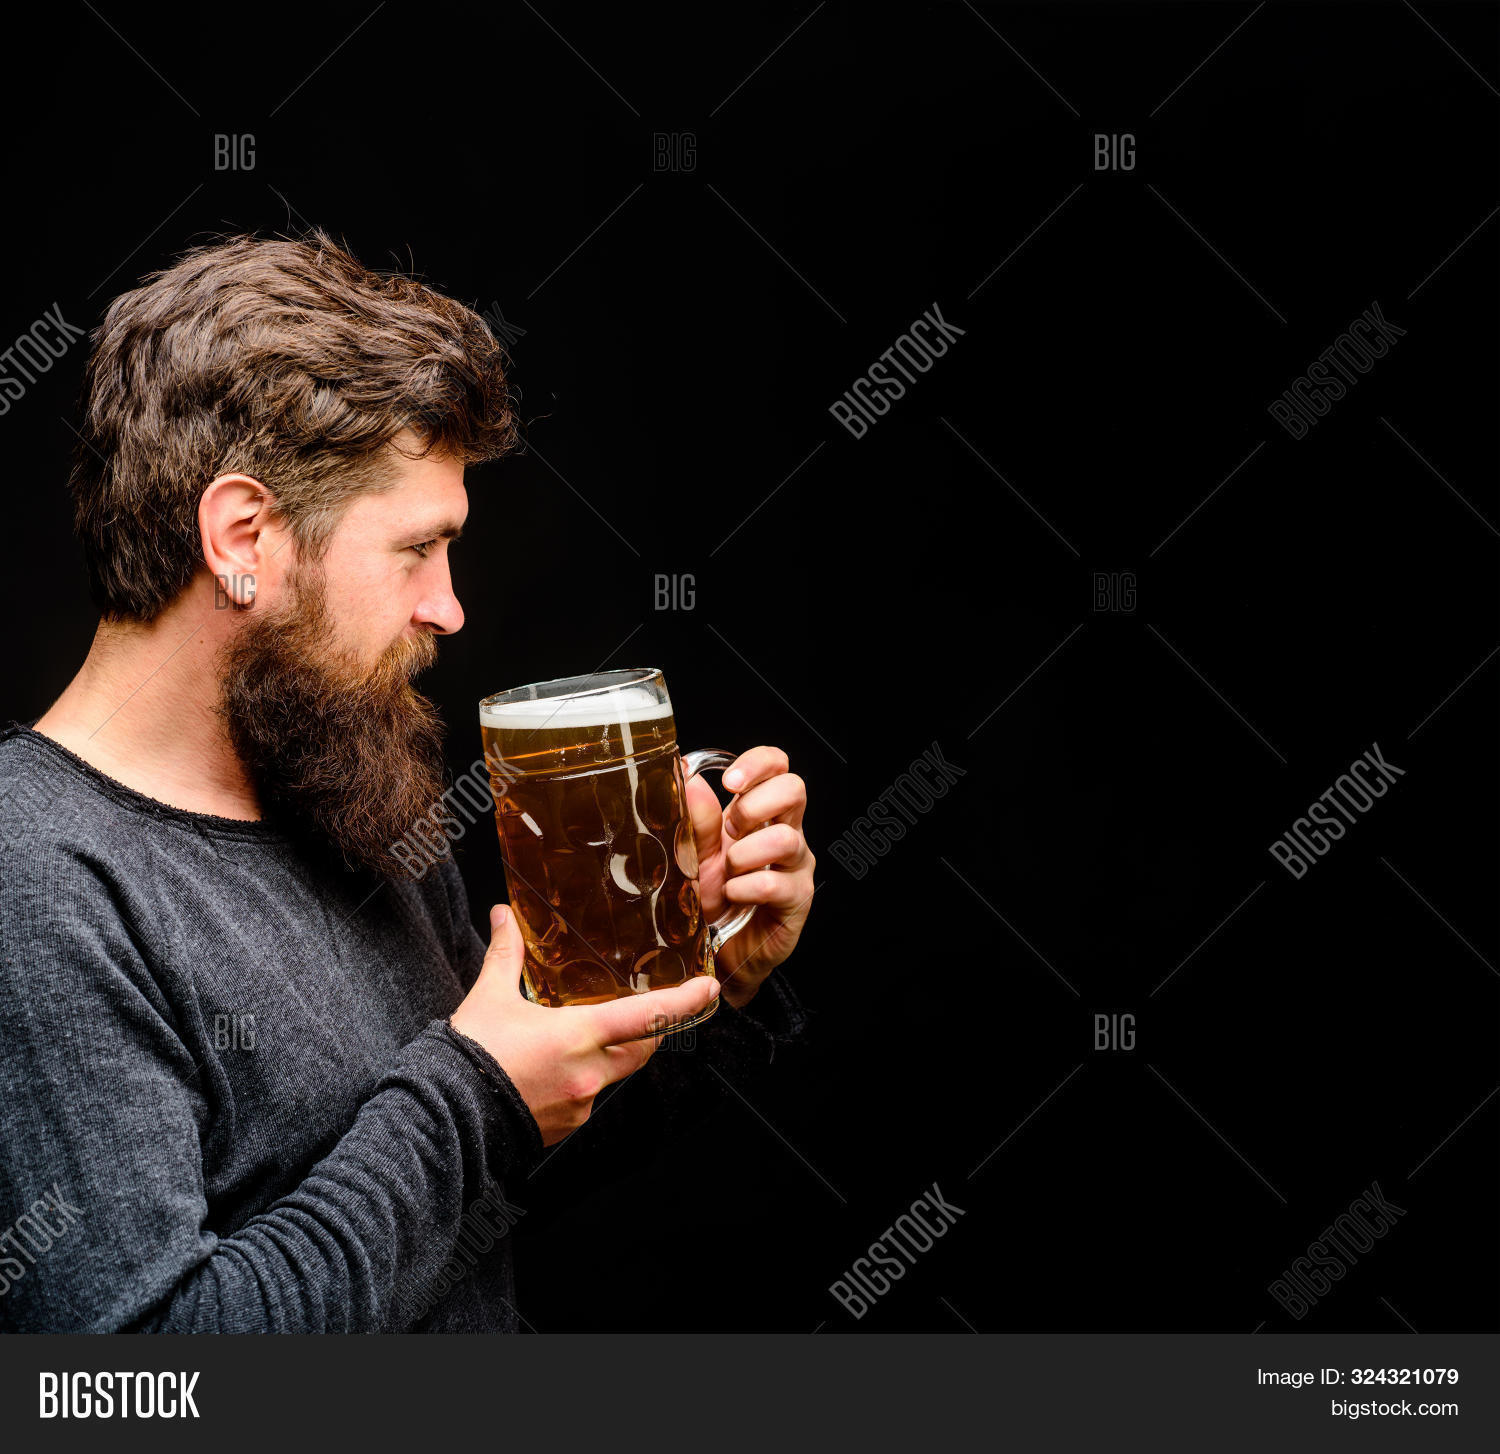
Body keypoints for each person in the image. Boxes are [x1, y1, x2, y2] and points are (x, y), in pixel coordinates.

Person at [0, 231, 815, 1332]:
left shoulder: (347, 795)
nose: (449, 607)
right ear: (244, 534)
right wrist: (475, 1088)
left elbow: (479, 1194)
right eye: (415, 548)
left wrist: (708, 978)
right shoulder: (35, 880)